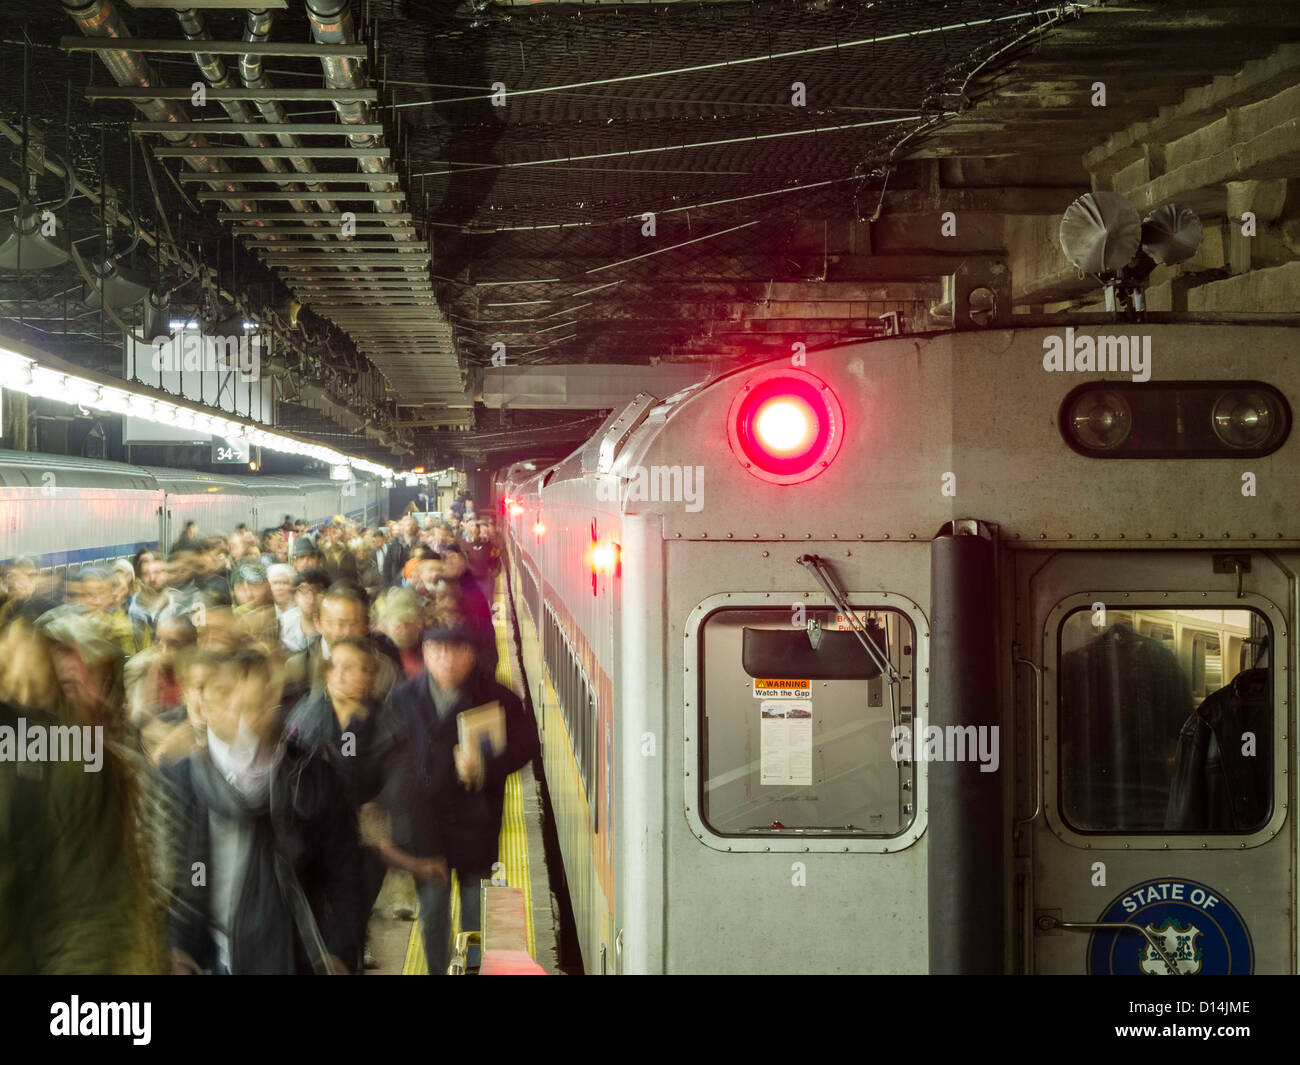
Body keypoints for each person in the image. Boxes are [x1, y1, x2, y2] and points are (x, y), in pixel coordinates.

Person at [162, 648, 360, 975]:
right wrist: (175, 946)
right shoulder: (180, 782)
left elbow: (344, 871)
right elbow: (168, 880)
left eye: (253, 705)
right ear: (206, 704)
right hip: (209, 960)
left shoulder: (309, 775)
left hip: (298, 956)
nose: (240, 717)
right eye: (228, 700)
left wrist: (339, 948)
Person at [392, 619, 539, 974]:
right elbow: (389, 762)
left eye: (456, 651)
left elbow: (527, 746)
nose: (447, 659)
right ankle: (437, 970)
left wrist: (486, 767)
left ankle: (472, 969)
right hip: (426, 828)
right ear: (425, 654)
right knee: (432, 912)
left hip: (478, 822)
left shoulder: (499, 697)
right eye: (437, 651)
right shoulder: (402, 699)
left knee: (473, 910)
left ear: (471, 654)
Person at [284, 582, 397, 704]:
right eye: (337, 623)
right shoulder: (298, 666)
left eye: (353, 624)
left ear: (366, 625)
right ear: (317, 623)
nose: (346, 632)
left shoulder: (385, 669)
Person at [279, 569, 330, 655]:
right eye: (304, 590)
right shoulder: (281, 626)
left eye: (317, 591)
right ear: (295, 596)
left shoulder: (335, 631)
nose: (311, 598)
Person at [0, 557, 56, 629]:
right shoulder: (7, 607)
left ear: (32, 580)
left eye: (16, 577)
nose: (10, 582)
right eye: (9, 577)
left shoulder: (47, 611)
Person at [464, 521, 502, 605]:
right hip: (470, 581)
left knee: (485, 603)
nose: (475, 534)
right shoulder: (462, 545)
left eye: (477, 532)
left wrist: (495, 571)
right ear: (466, 530)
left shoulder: (488, 545)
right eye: (472, 530)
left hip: (486, 580)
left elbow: (496, 559)